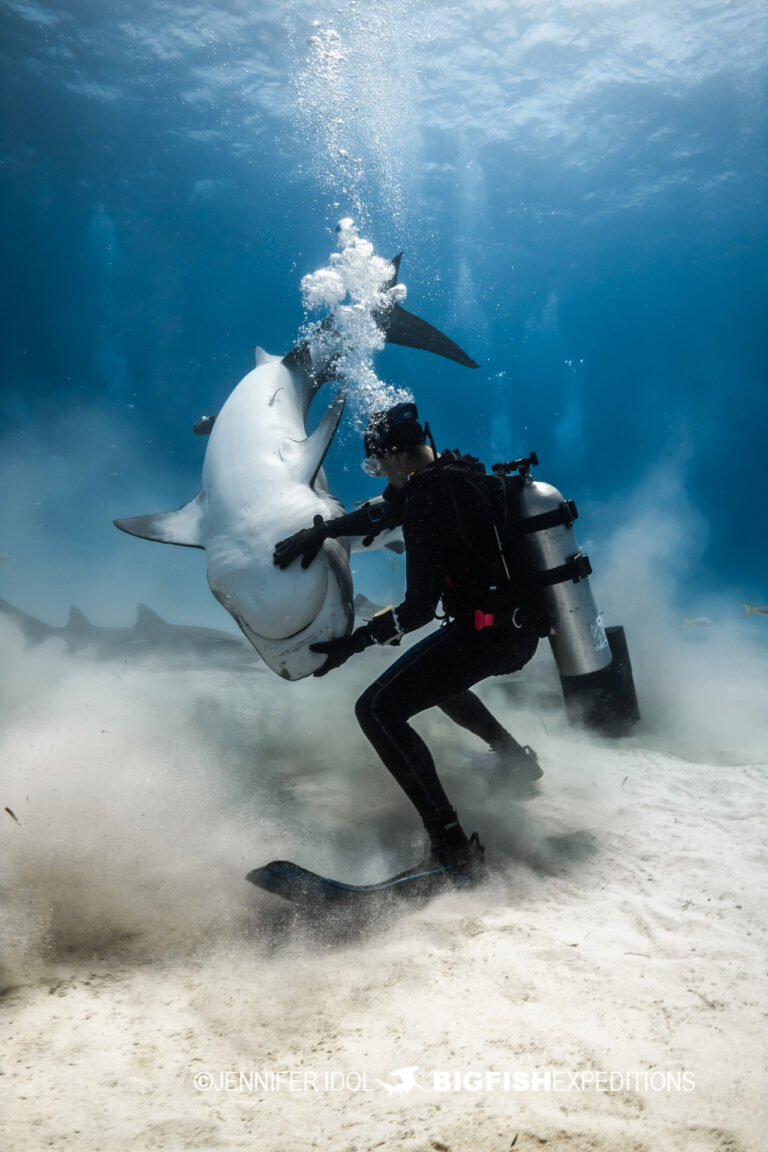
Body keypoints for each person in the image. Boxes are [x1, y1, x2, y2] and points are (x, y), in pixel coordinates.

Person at [273, 402, 548, 885]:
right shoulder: (459, 473)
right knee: (436, 681)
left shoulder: (427, 500)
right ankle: (514, 761)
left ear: (396, 457)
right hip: (516, 631)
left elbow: (418, 610)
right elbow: (385, 512)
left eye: (377, 465)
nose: (379, 475)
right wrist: (324, 531)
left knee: (377, 709)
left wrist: (350, 646)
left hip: (485, 635)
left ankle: (451, 849)